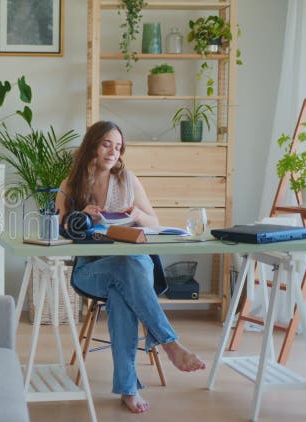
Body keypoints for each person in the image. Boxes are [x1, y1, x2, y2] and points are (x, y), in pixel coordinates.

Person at [56, 121, 206, 414]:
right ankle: (170, 344)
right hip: (92, 271)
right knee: (126, 271)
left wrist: (137, 214)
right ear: (92, 145)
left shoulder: (128, 180)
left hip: (132, 268)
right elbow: (60, 227)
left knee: (124, 283)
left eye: (118, 145)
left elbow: (154, 221)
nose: (114, 151)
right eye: (106, 144)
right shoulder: (70, 185)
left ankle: (129, 388)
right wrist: (79, 216)